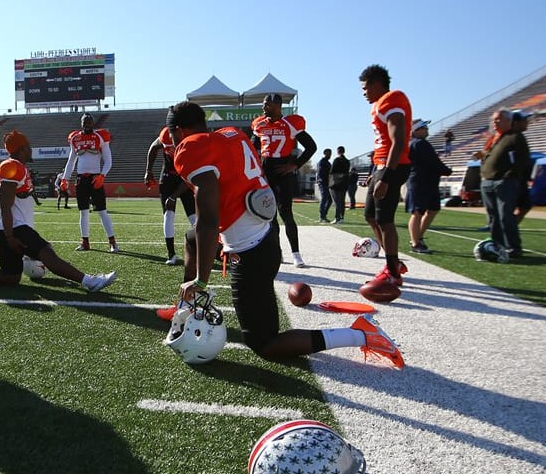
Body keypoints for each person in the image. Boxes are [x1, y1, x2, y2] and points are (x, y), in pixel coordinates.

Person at [166, 100, 403, 367]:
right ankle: (184, 306)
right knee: (191, 240)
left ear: (180, 130)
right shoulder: (233, 135)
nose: (173, 143)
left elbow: (208, 221)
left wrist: (201, 281)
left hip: (251, 252)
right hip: (266, 235)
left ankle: (360, 334)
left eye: (173, 135)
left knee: (264, 343)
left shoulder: (190, 148)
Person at [0, 130, 117, 292]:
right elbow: (4, 204)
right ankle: (90, 282)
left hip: (6, 227)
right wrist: (9, 236)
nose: (31, 150)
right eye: (28, 147)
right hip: (13, 228)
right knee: (48, 255)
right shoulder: (12, 167)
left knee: (11, 277)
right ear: (22, 149)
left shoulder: (17, 166)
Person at [359, 64, 413, 286]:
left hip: (394, 165)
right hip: (381, 165)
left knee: (384, 220)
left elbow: (398, 141)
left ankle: (392, 271)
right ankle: (394, 262)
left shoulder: (392, 99)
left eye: (365, 88)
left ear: (376, 84)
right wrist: (375, 171)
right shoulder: (380, 104)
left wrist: (386, 176)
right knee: (370, 215)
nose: (363, 93)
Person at [251, 93, 317, 267]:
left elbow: (311, 147)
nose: (263, 108)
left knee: (286, 213)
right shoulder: (260, 124)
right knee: (269, 216)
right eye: (264, 104)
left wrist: (294, 165)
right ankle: (276, 252)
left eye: (267, 105)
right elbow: (251, 149)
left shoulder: (290, 123)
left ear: (277, 105)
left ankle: (296, 254)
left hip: (282, 172)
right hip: (265, 173)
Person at [62, 113, 118, 252]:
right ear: (81, 123)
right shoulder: (75, 138)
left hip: (95, 178)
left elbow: (108, 159)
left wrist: (102, 176)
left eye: (89, 122)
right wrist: (65, 178)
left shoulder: (100, 137)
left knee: (102, 211)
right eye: (84, 122)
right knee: (83, 211)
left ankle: (112, 242)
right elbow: (71, 161)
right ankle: (85, 242)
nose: (87, 125)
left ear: (93, 123)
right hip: (81, 178)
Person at [480, 109, 530, 260]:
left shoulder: (515, 137)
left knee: (505, 216)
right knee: (493, 217)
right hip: (488, 181)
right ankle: (498, 244)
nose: (495, 122)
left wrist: (510, 175)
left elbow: (523, 159)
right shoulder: (494, 138)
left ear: (509, 121)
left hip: (503, 182)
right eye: (494, 120)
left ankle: (513, 247)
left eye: (499, 119)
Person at [145, 124, 198, 265]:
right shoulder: (164, 135)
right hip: (168, 177)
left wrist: (174, 196)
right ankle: (171, 254)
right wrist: (148, 171)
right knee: (168, 215)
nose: (171, 148)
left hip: (184, 177)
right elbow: (153, 148)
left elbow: (187, 178)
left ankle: (204, 252)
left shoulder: (190, 141)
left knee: (194, 217)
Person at [406, 119, 452, 254]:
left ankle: (418, 236)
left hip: (426, 182)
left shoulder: (417, 144)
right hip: (421, 182)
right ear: (416, 130)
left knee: (432, 209)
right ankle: (415, 242)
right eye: (424, 127)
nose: (427, 129)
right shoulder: (420, 144)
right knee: (417, 212)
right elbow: (433, 162)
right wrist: (446, 170)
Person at [510, 112, 534, 223]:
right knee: (508, 208)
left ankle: (510, 226)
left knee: (525, 205)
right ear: (516, 123)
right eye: (524, 120)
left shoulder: (519, 136)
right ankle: (506, 228)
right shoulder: (513, 137)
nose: (527, 122)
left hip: (520, 178)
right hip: (514, 179)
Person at [329, 146, 350, 223]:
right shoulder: (347, 161)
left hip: (335, 183)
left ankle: (337, 217)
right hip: (344, 183)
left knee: (336, 201)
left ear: (338, 151)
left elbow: (331, 171)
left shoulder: (337, 160)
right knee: (342, 201)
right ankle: (342, 217)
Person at [315, 148, 333, 222]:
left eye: (331, 154)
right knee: (324, 198)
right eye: (329, 153)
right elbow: (320, 174)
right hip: (322, 182)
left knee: (329, 199)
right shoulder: (321, 162)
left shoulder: (328, 163)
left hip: (327, 183)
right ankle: (322, 216)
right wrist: (324, 181)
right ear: (325, 153)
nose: (330, 155)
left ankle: (324, 214)